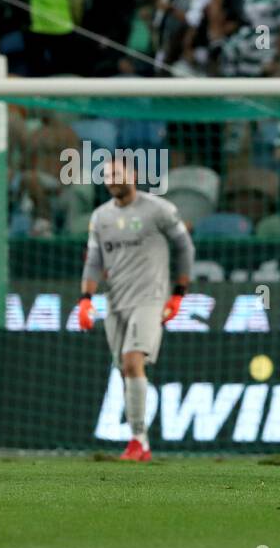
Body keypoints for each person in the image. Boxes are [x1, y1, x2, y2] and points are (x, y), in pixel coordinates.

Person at [78, 155, 195, 462]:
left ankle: (138, 440)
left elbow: (185, 247)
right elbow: (93, 261)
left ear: (134, 174)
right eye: (106, 175)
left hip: (151, 298)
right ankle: (137, 440)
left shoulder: (159, 209)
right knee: (124, 369)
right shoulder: (100, 217)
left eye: (117, 173)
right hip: (115, 301)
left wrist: (179, 293)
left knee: (132, 361)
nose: (112, 179)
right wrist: (85, 300)